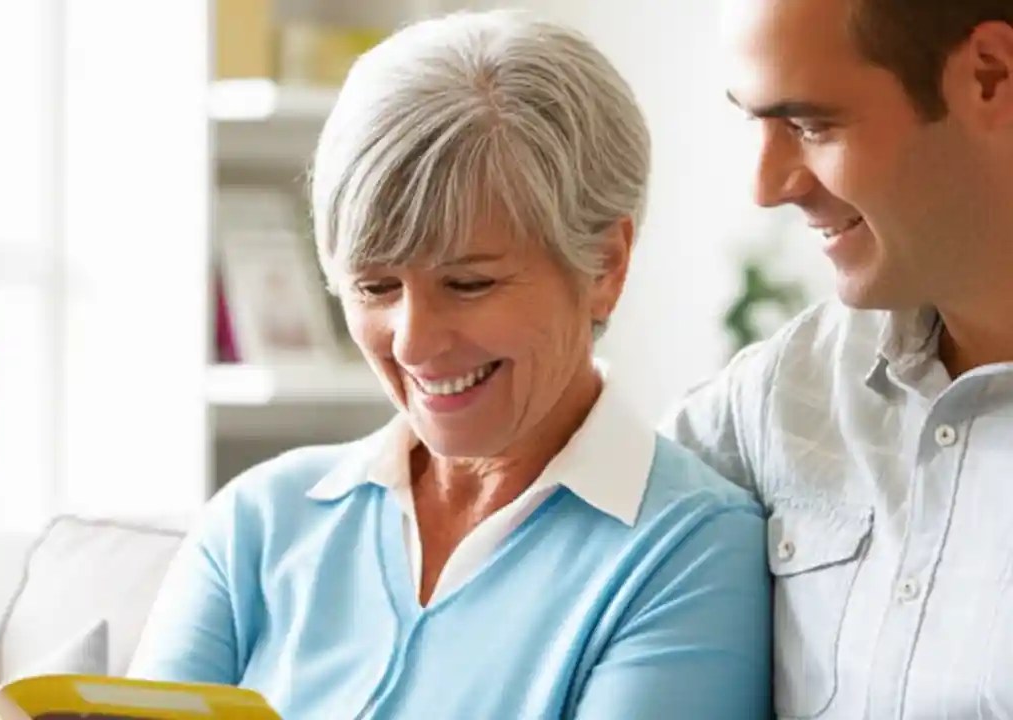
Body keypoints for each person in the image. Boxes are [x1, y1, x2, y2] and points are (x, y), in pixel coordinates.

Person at [130, 10, 770, 719]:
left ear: (605, 265)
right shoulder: (256, 526)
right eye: (375, 287)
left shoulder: (690, 551)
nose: (411, 343)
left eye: (468, 283)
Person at [664, 0, 1013, 717]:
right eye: (754, 122)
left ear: (989, 75)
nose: (766, 187)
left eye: (810, 125)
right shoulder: (783, 390)